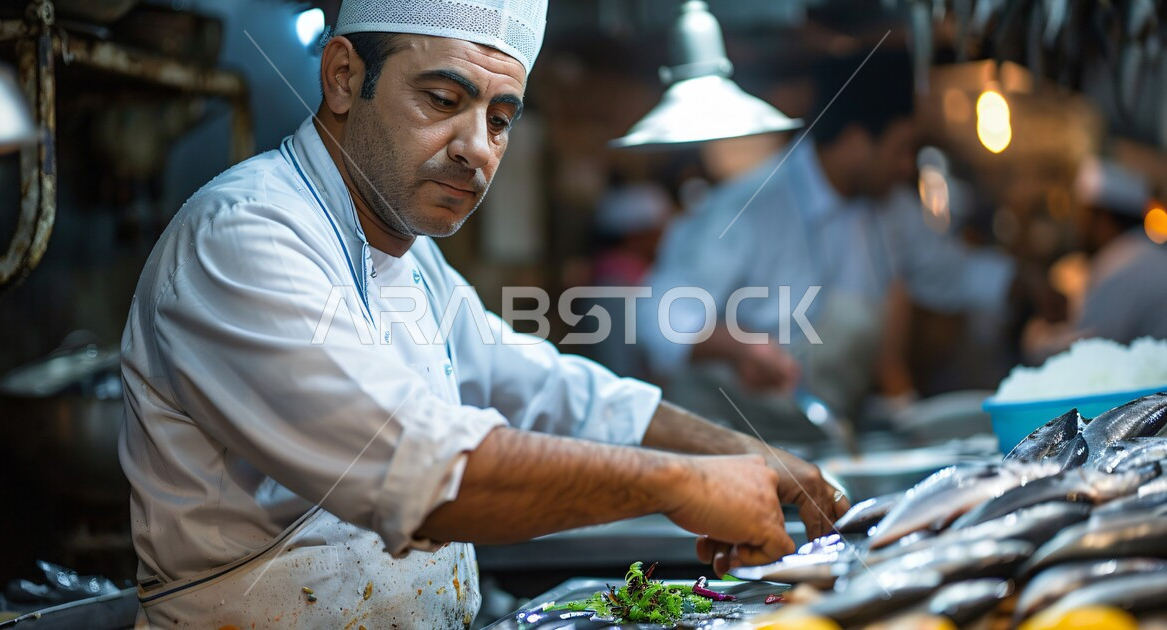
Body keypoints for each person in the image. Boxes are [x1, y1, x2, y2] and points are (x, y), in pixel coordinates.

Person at [118, 1, 846, 627]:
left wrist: (734, 451)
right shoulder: (244, 235)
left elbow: (547, 389)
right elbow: (423, 472)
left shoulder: (414, 262)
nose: (478, 149)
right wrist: (683, 484)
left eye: (499, 120)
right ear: (342, 77)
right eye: (442, 100)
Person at [639, 49, 1015, 428]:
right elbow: (661, 315)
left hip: (826, 427)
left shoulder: (892, 209)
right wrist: (740, 347)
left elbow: (951, 274)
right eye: (901, 149)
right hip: (737, 430)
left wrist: (1020, 285)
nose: (906, 166)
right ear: (854, 141)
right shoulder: (749, 206)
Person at [1023, 158, 1167, 358]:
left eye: (1084, 218)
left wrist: (1036, 334)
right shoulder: (1145, 255)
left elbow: (1083, 353)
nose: (1078, 228)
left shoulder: (1121, 266)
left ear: (1104, 220)